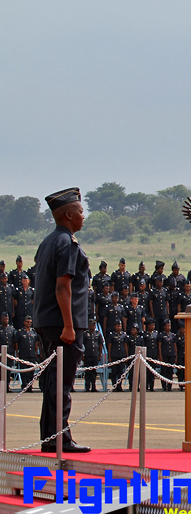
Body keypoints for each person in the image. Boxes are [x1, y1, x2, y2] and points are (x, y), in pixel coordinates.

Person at [33, 187, 91, 453]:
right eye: (80, 211)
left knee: (52, 383)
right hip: (62, 323)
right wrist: (69, 325)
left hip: (47, 321)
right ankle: (61, 439)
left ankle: (50, 437)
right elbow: (62, 287)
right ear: (68, 214)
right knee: (62, 384)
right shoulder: (66, 243)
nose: (83, 216)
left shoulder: (48, 242)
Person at [15, 316, 40, 391]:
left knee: (31, 371)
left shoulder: (33, 332)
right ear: (24, 322)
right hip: (23, 354)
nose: (29, 323)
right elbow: (16, 343)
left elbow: (36, 342)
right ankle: (24, 385)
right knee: (23, 371)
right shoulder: (20, 332)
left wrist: (36, 352)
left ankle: (30, 386)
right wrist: (17, 353)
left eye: (30, 322)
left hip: (31, 354)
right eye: (27, 322)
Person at [106, 320, 128, 392]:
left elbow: (125, 345)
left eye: (120, 326)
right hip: (114, 354)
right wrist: (109, 356)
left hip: (121, 354)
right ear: (115, 326)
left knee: (120, 372)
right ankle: (114, 385)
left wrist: (126, 355)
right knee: (114, 372)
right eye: (117, 326)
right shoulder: (111, 335)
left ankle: (119, 386)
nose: (119, 327)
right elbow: (110, 346)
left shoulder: (123, 335)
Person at [82, 320, 102, 392]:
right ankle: (87, 387)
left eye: (94, 325)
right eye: (91, 325)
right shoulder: (85, 334)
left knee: (94, 372)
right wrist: (83, 355)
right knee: (87, 372)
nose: (92, 327)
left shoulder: (98, 333)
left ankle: (93, 386)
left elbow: (100, 344)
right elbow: (82, 345)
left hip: (95, 355)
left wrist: (99, 355)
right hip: (88, 355)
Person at [158, 321, 177, 391]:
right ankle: (164, 386)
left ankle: (169, 386)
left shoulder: (172, 335)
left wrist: (176, 355)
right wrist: (160, 356)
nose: (168, 327)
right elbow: (159, 346)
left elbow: (175, 346)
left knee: (170, 371)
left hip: (171, 354)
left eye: (169, 326)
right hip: (164, 354)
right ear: (164, 326)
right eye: (167, 326)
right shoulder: (161, 335)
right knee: (164, 371)